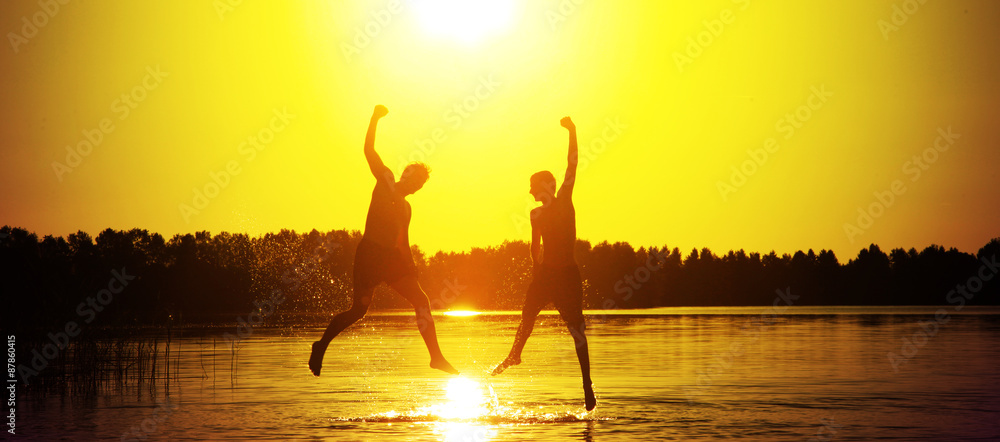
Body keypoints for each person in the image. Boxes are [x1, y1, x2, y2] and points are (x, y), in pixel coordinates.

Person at [309, 105, 459, 377]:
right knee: (358, 311)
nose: (417, 185)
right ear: (406, 173)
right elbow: (369, 152)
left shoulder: (406, 208)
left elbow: (403, 243)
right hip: (369, 255)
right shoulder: (386, 179)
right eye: (416, 178)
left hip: (391, 259)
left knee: (421, 301)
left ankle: (435, 357)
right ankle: (321, 345)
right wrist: (374, 119)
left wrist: (411, 268)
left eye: (422, 184)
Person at [492, 116, 596, 411]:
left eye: (532, 186)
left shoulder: (565, 198)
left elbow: (572, 164)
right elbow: (533, 246)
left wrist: (573, 130)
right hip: (545, 274)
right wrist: (537, 275)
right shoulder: (535, 215)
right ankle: (515, 355)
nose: (529, 192)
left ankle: (587, 384)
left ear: (545, 186)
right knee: (527, 318)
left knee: (577, 331)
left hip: (568, 276)